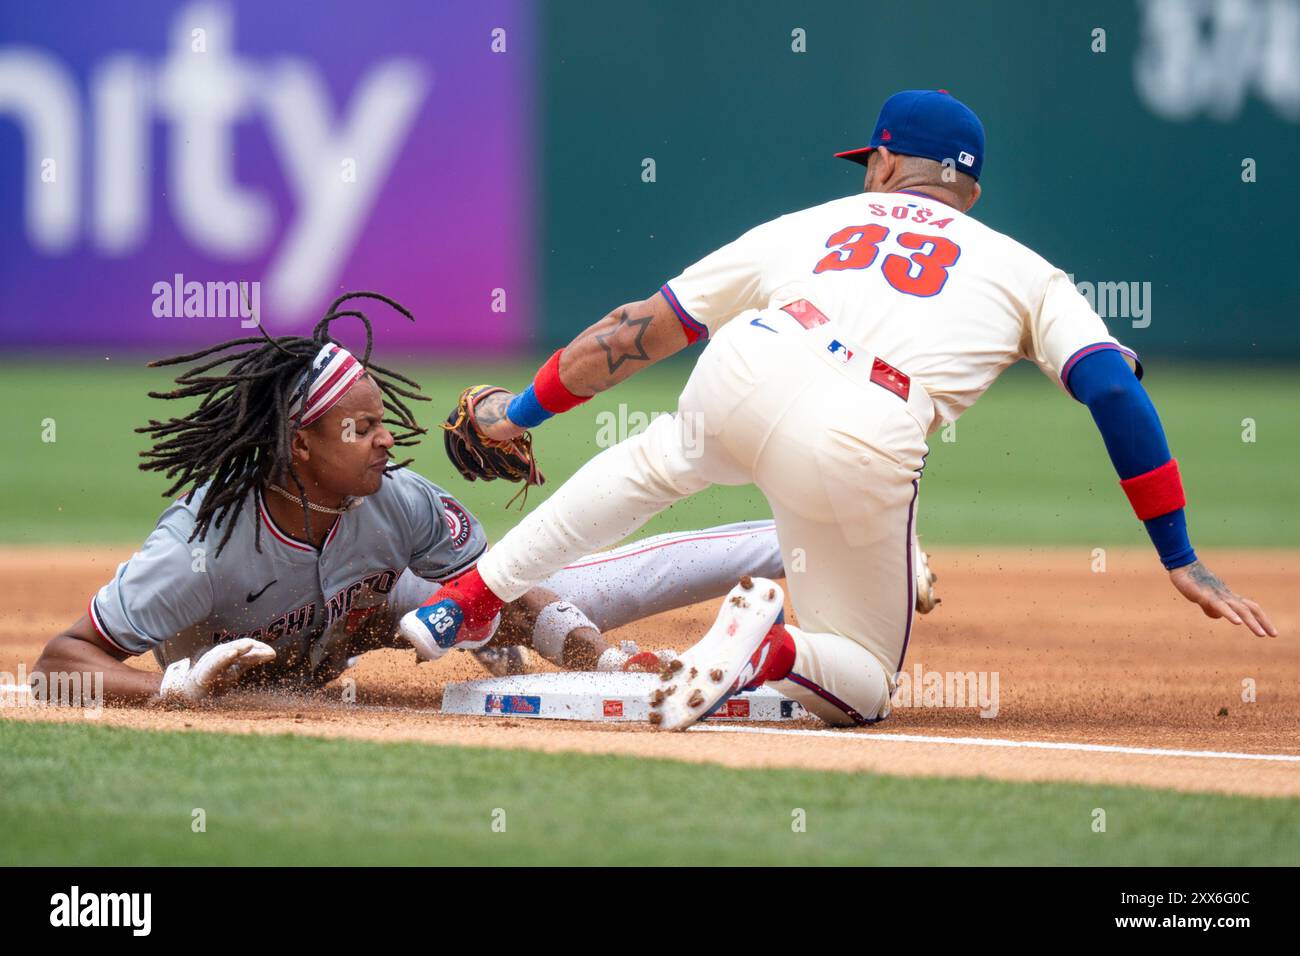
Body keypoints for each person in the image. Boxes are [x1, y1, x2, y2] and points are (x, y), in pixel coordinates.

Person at [401, 90, 1277, 731]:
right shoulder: (1025, 269)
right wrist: (1180, 554)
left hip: (757, 355)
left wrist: (520, 413)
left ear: (887, 163)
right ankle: (768, 648)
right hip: (870, 422)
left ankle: (466, 598)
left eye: (870, 164)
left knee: (655, 460)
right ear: (967, 188)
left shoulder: (804, 226)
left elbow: (636, 332)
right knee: (864, 685)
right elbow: (1116, 390)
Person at [29, 293, 784, 705]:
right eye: (361, 427)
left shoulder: (398, 502)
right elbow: (57, 663)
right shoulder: (204, 547)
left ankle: (796, 542)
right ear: (300, 444)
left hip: (390, 612)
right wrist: (172, 686)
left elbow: (507, 588)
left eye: (382, 420)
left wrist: (593, 654)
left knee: (563, 590)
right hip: (267, 656)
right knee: (478, 606)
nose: (388, 439)